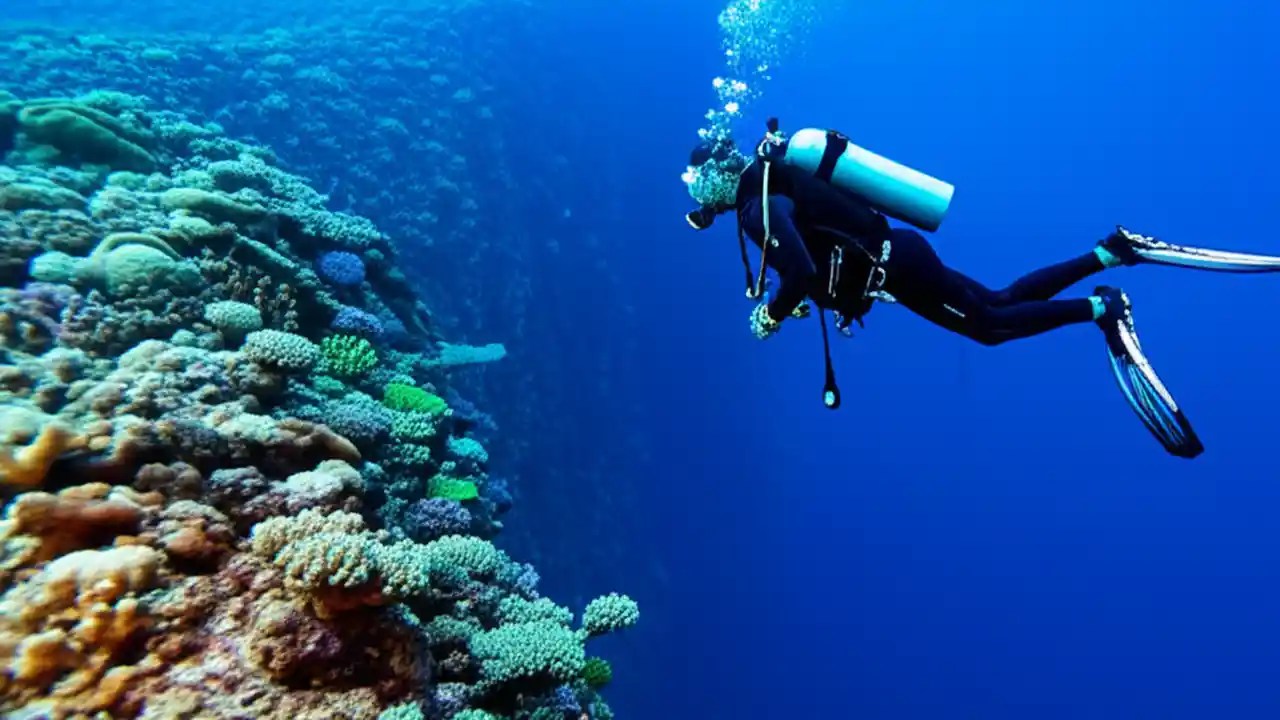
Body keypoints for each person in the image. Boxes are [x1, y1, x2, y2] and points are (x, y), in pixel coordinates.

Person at [680, 122, 1280, 459]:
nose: (696, 197)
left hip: (899, 270)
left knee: (989, 327)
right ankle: (1112, 252)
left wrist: (772, 315)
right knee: (996, 300)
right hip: (901, 258)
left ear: (713, 175)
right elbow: (815, 255)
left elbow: (802, 274)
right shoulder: (776, 178)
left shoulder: (754, 207)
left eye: (693, 183)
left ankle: (1104, 308)